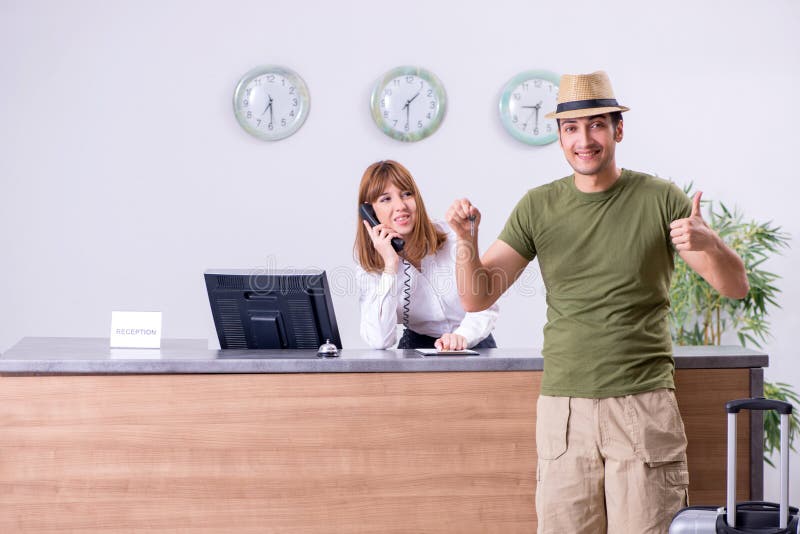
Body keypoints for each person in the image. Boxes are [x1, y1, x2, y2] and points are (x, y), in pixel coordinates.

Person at [446, 71, 749, 533]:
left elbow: (734, 287)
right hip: (564, 411)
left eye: (596, 125)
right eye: (571, 128)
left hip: (643, 403)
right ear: (560, 137)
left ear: (617, 130)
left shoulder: (661, 198)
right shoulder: (538, 207)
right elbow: (477, 294)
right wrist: (466, 241)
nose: (583, 140)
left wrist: (711, 244)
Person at [354, 160, 498, 350]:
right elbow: (379, 340)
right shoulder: (369, 268)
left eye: (406, 194)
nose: (400, 206)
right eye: (385, 199)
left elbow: (485, 304)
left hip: (473, 342)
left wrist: (462, 337)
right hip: (416, 348)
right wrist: (390, 265)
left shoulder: (454, 235)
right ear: (369, 212)